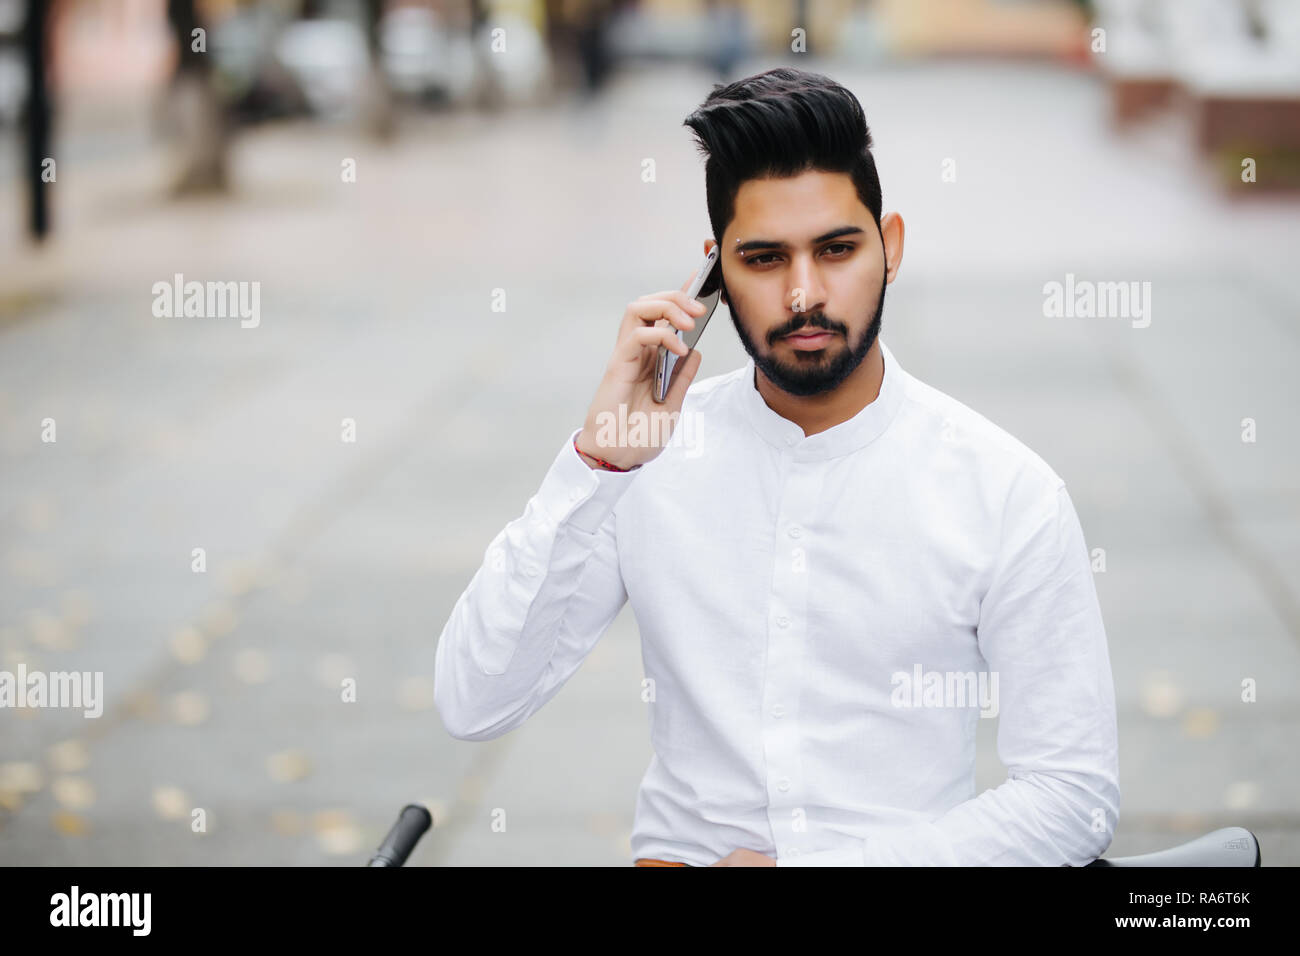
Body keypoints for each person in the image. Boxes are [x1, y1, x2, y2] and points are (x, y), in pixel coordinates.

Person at [433, 67, 1120, 867]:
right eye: (763, 259)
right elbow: (473, 699)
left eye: (836, 249)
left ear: (889, 246)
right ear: (714, 272)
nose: (803, 294)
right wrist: (597, 463)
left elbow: (1072, 793)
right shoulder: (647, 459)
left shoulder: (1005, 492)